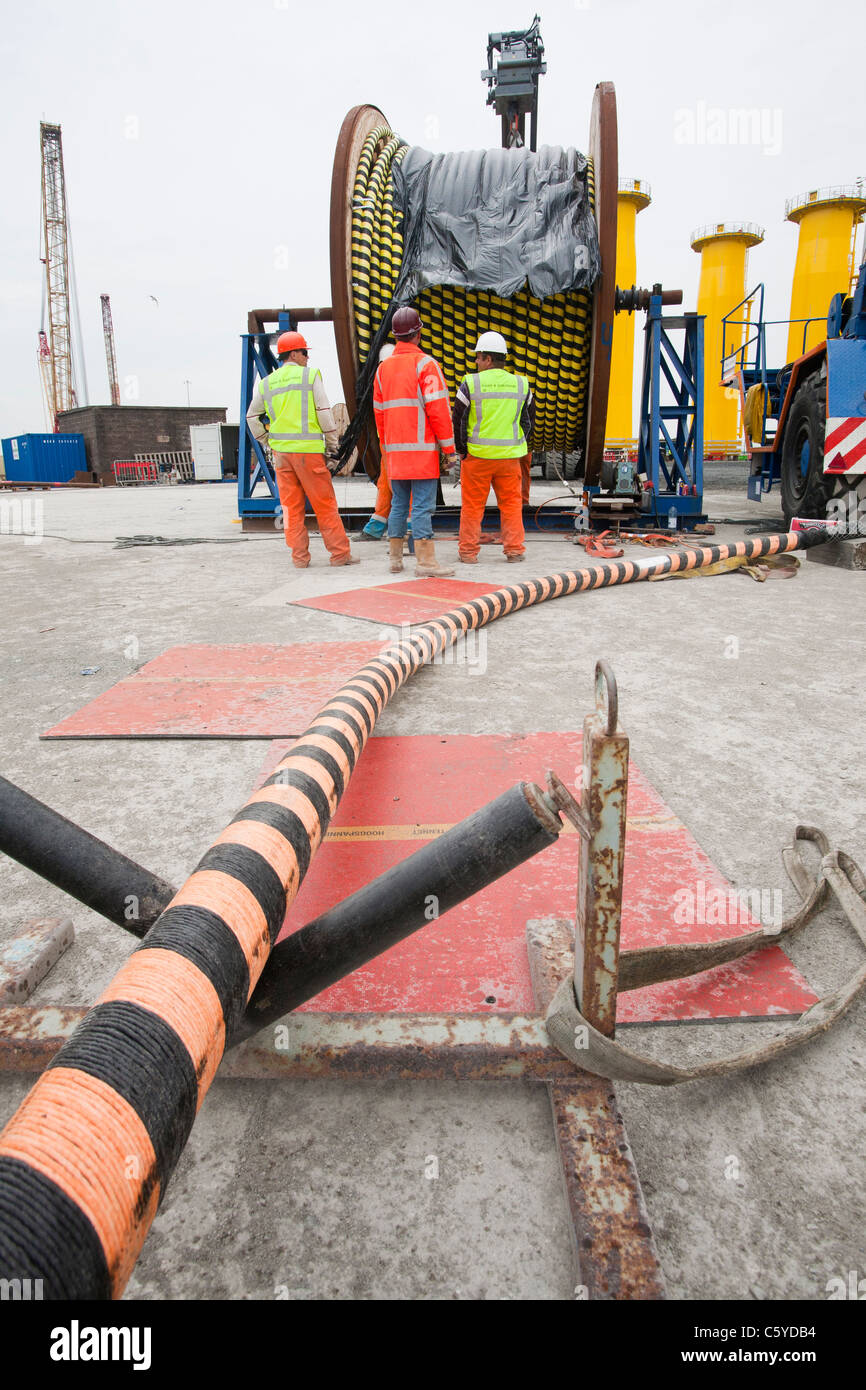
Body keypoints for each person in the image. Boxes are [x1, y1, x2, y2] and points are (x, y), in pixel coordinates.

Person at [246, 331, 358, 568]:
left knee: (291, 508)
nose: (307, 358)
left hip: (281, 456)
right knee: (324, 504)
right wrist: (332, 446)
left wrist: (268, 440)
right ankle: (339, 554)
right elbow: (324, 414)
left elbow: (252, 417)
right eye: (305, 353)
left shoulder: (267, 383)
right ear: (295, 353)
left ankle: (299, 559)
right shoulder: (309, 376)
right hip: (308, 453)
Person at [372, 307, 460, 578]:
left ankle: (396, 560)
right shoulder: (426, 365)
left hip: (394, 453)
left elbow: (379, 415)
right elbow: (439, 412)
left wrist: (386, 450)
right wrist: (449, 451)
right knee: (422, 506)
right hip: (421, 453)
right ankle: (425, 562)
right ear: (418, 334)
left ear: (396, 336)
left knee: (399, 503)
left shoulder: (383, 370)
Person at [451, 332, 534, 564]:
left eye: (478, 357)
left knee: (472, 507)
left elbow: (458, 419)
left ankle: (468, 552)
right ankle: (515, 550)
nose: (476, 362)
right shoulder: (521, 384)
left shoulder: (471, 383)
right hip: (509, 459)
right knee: (511, 506)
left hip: (477, 458)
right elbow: (528, 421)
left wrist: (462, 450)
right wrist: (517, 444)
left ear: (488, 359)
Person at [360, 343, 395, 539]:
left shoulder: (381, 379)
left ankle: (400, 529)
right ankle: (379, 527)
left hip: (390, 442)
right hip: (393, 442)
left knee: (392, 484)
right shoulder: (397, 378)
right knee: (388, 483)